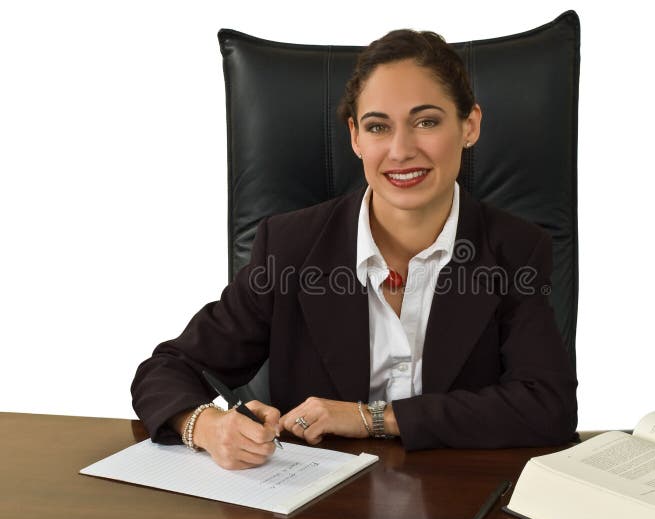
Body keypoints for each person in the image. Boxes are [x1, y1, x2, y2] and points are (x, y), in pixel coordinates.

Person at [131, 29, 578, 470]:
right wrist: (206, 425)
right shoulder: (290, 248)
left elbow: (547, 406)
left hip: (460, 503)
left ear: (469, 125)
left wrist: (371, 418)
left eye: (426, 121)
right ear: (355, 138)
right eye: (378, 126)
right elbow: (168, 369)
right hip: (317, 506)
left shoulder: (515, 250)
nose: (401, 150)